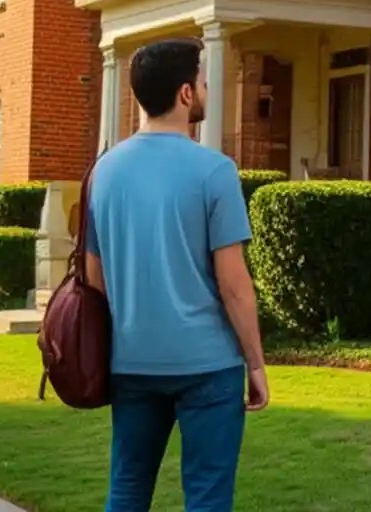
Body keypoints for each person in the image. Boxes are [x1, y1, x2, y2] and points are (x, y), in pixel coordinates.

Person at [84, 38, 269, 512]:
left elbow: (94, 278)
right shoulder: (215, 171)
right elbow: (233, 286)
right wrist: (255, 363)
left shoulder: (103, 172)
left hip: (132, 363)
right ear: (186, 94)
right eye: (205, 82)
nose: (207, 89)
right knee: (207, 498)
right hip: (208, 365)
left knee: (126, 489)